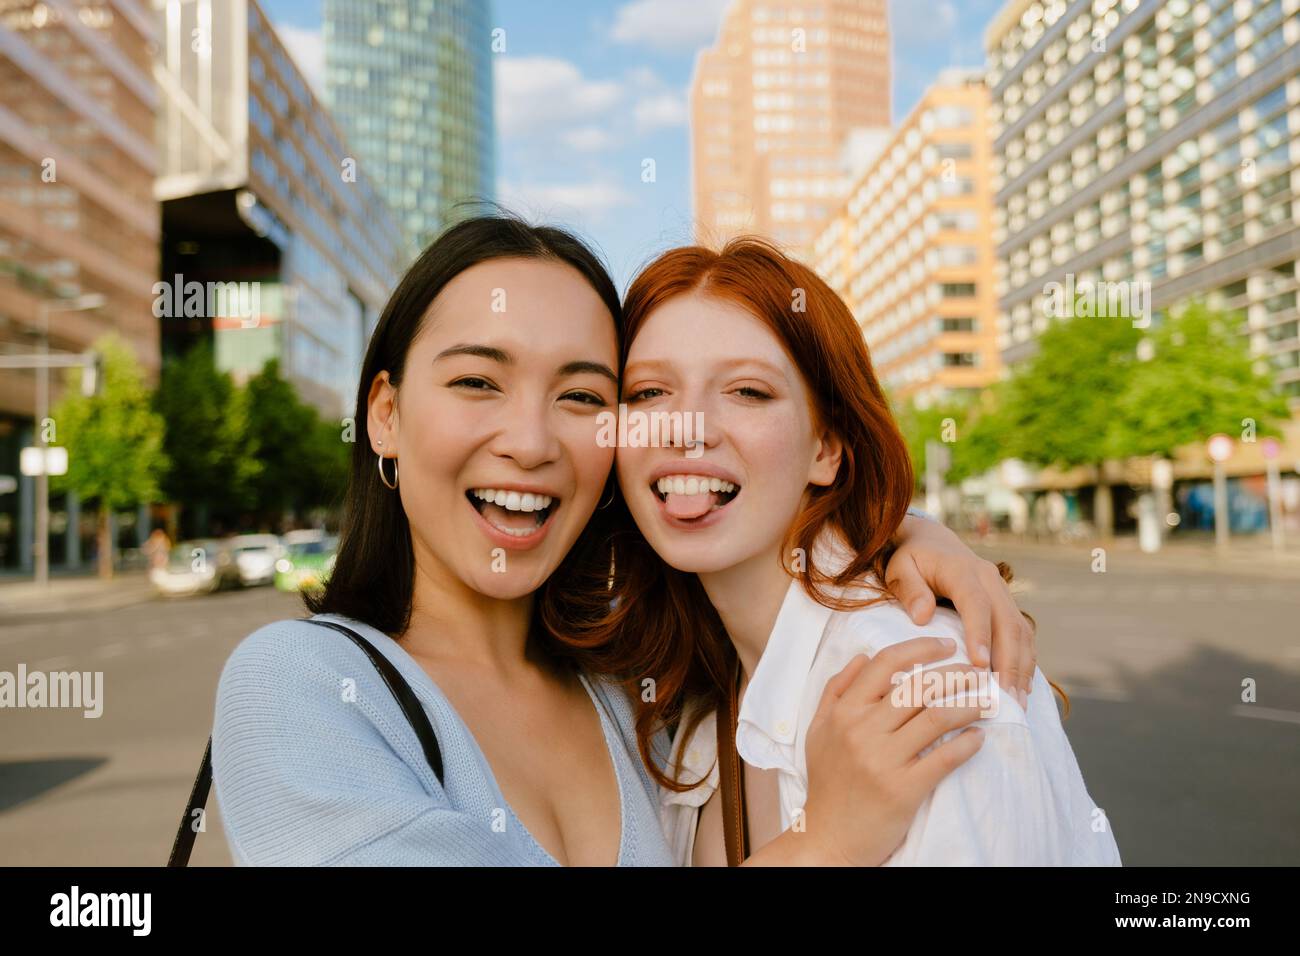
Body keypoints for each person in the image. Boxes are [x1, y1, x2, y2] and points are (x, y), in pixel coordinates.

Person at [211, 215, 1037, 866]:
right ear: (384, 415)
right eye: (477, 381)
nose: (531, 442)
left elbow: (758, 558)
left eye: (583, 395)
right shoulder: (299, 687)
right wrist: (823, 845)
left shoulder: (637, 686)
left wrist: (889, 535)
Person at [580, 237, 1121, 865]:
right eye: (649, 393)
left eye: (748, 392)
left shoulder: (915, 688)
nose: (686, 426)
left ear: (826, 448)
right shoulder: (694, 688)